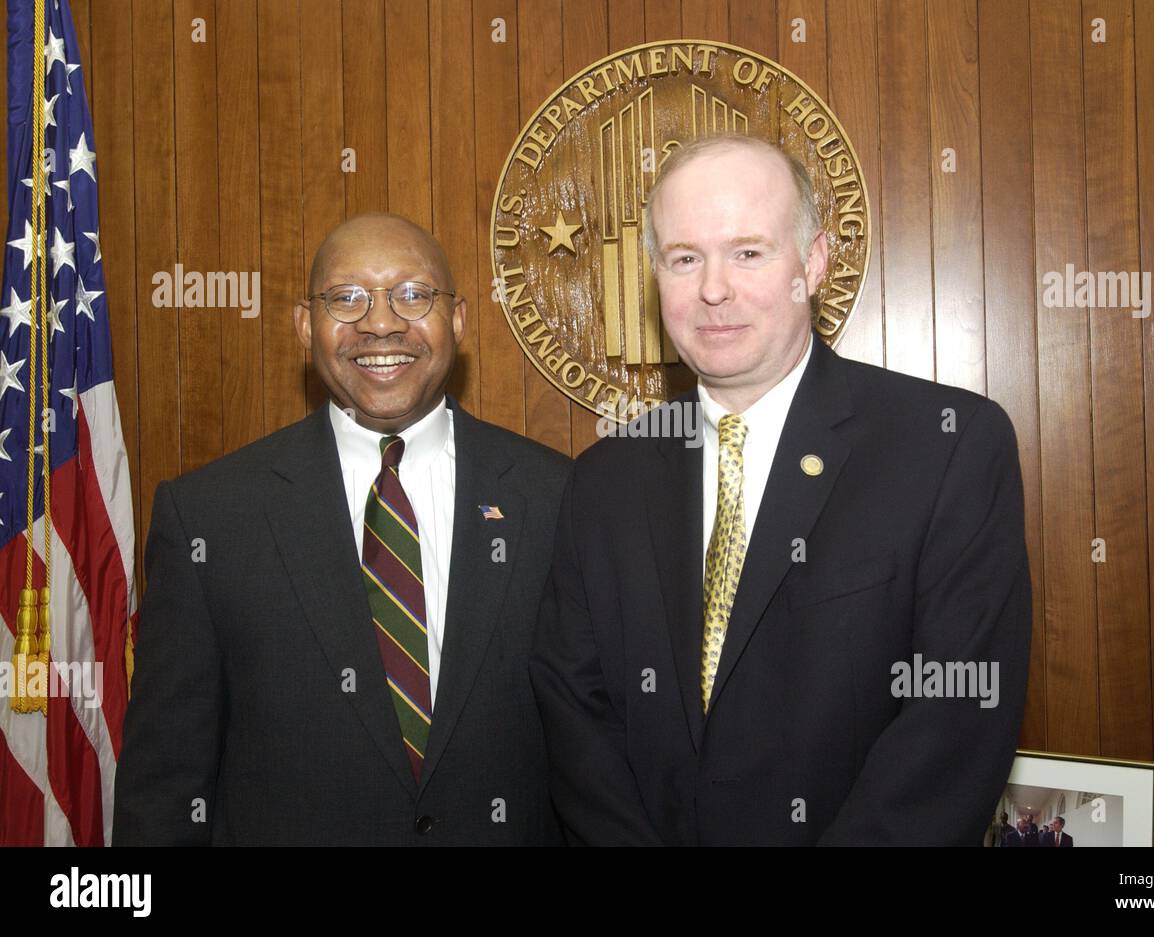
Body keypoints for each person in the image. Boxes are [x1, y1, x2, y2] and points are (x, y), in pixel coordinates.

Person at [530, 134, 1032, 845]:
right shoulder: (605, 479)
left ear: (815, 262)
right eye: (684, 258)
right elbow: (575, 711)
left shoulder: (947, 447)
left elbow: (951, 729)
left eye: (748, 251)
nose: (713, 287)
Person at [114, 213, 571, 844]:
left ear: (458, 321)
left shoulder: (557, 498)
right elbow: (166, 782)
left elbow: (595, 753)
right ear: (305, 325)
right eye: (345, 298)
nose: (380, 322)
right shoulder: (210, 517)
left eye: (413, 294)